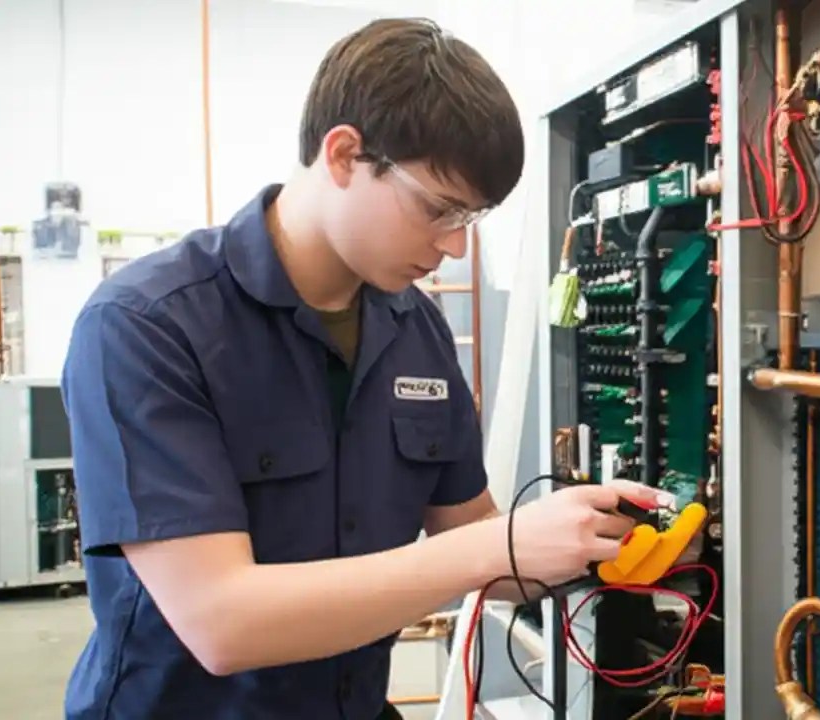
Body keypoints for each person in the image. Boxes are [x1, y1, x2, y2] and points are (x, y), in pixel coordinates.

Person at [60, 18, 672, 720]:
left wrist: (595, 545)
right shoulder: (146, 326)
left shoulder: (416, 329)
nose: (452, 245)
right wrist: (496, 546)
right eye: (439, 209)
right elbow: (221, 623)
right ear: (345, 154)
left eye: (470, 218)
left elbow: (467, 533)